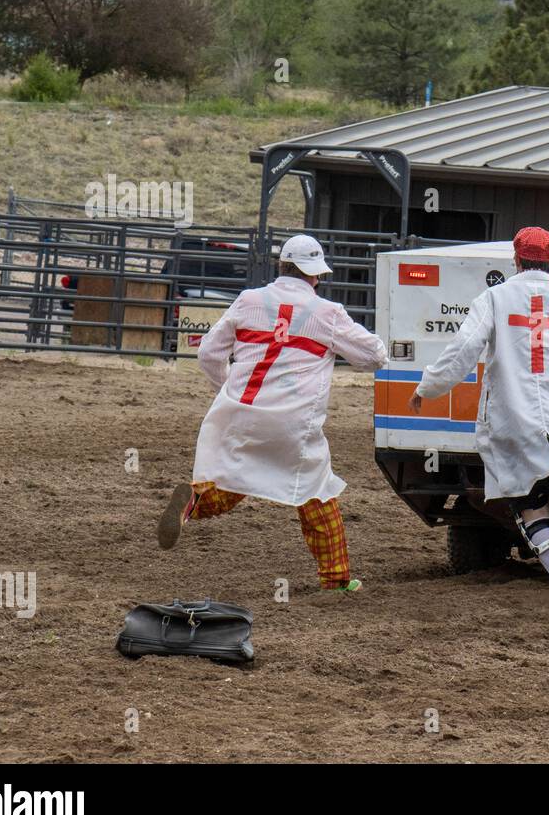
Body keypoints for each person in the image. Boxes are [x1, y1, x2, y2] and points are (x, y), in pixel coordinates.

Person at [408, 226, 549, 622]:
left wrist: (429, 386)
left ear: (516, 259)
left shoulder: (493, 299)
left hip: (512, 420)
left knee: (530, 509)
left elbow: (463, 349)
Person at [157, 234, 388, 592]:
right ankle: (337, 579)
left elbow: (207, 354)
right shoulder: (327, 314)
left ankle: (192, 502)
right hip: (293, 423)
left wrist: (227, 392)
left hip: (239, 413)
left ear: (281, 266)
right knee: (317, 495)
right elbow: (373, 355)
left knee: (233, 481)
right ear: (315, 275)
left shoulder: (248, 300)